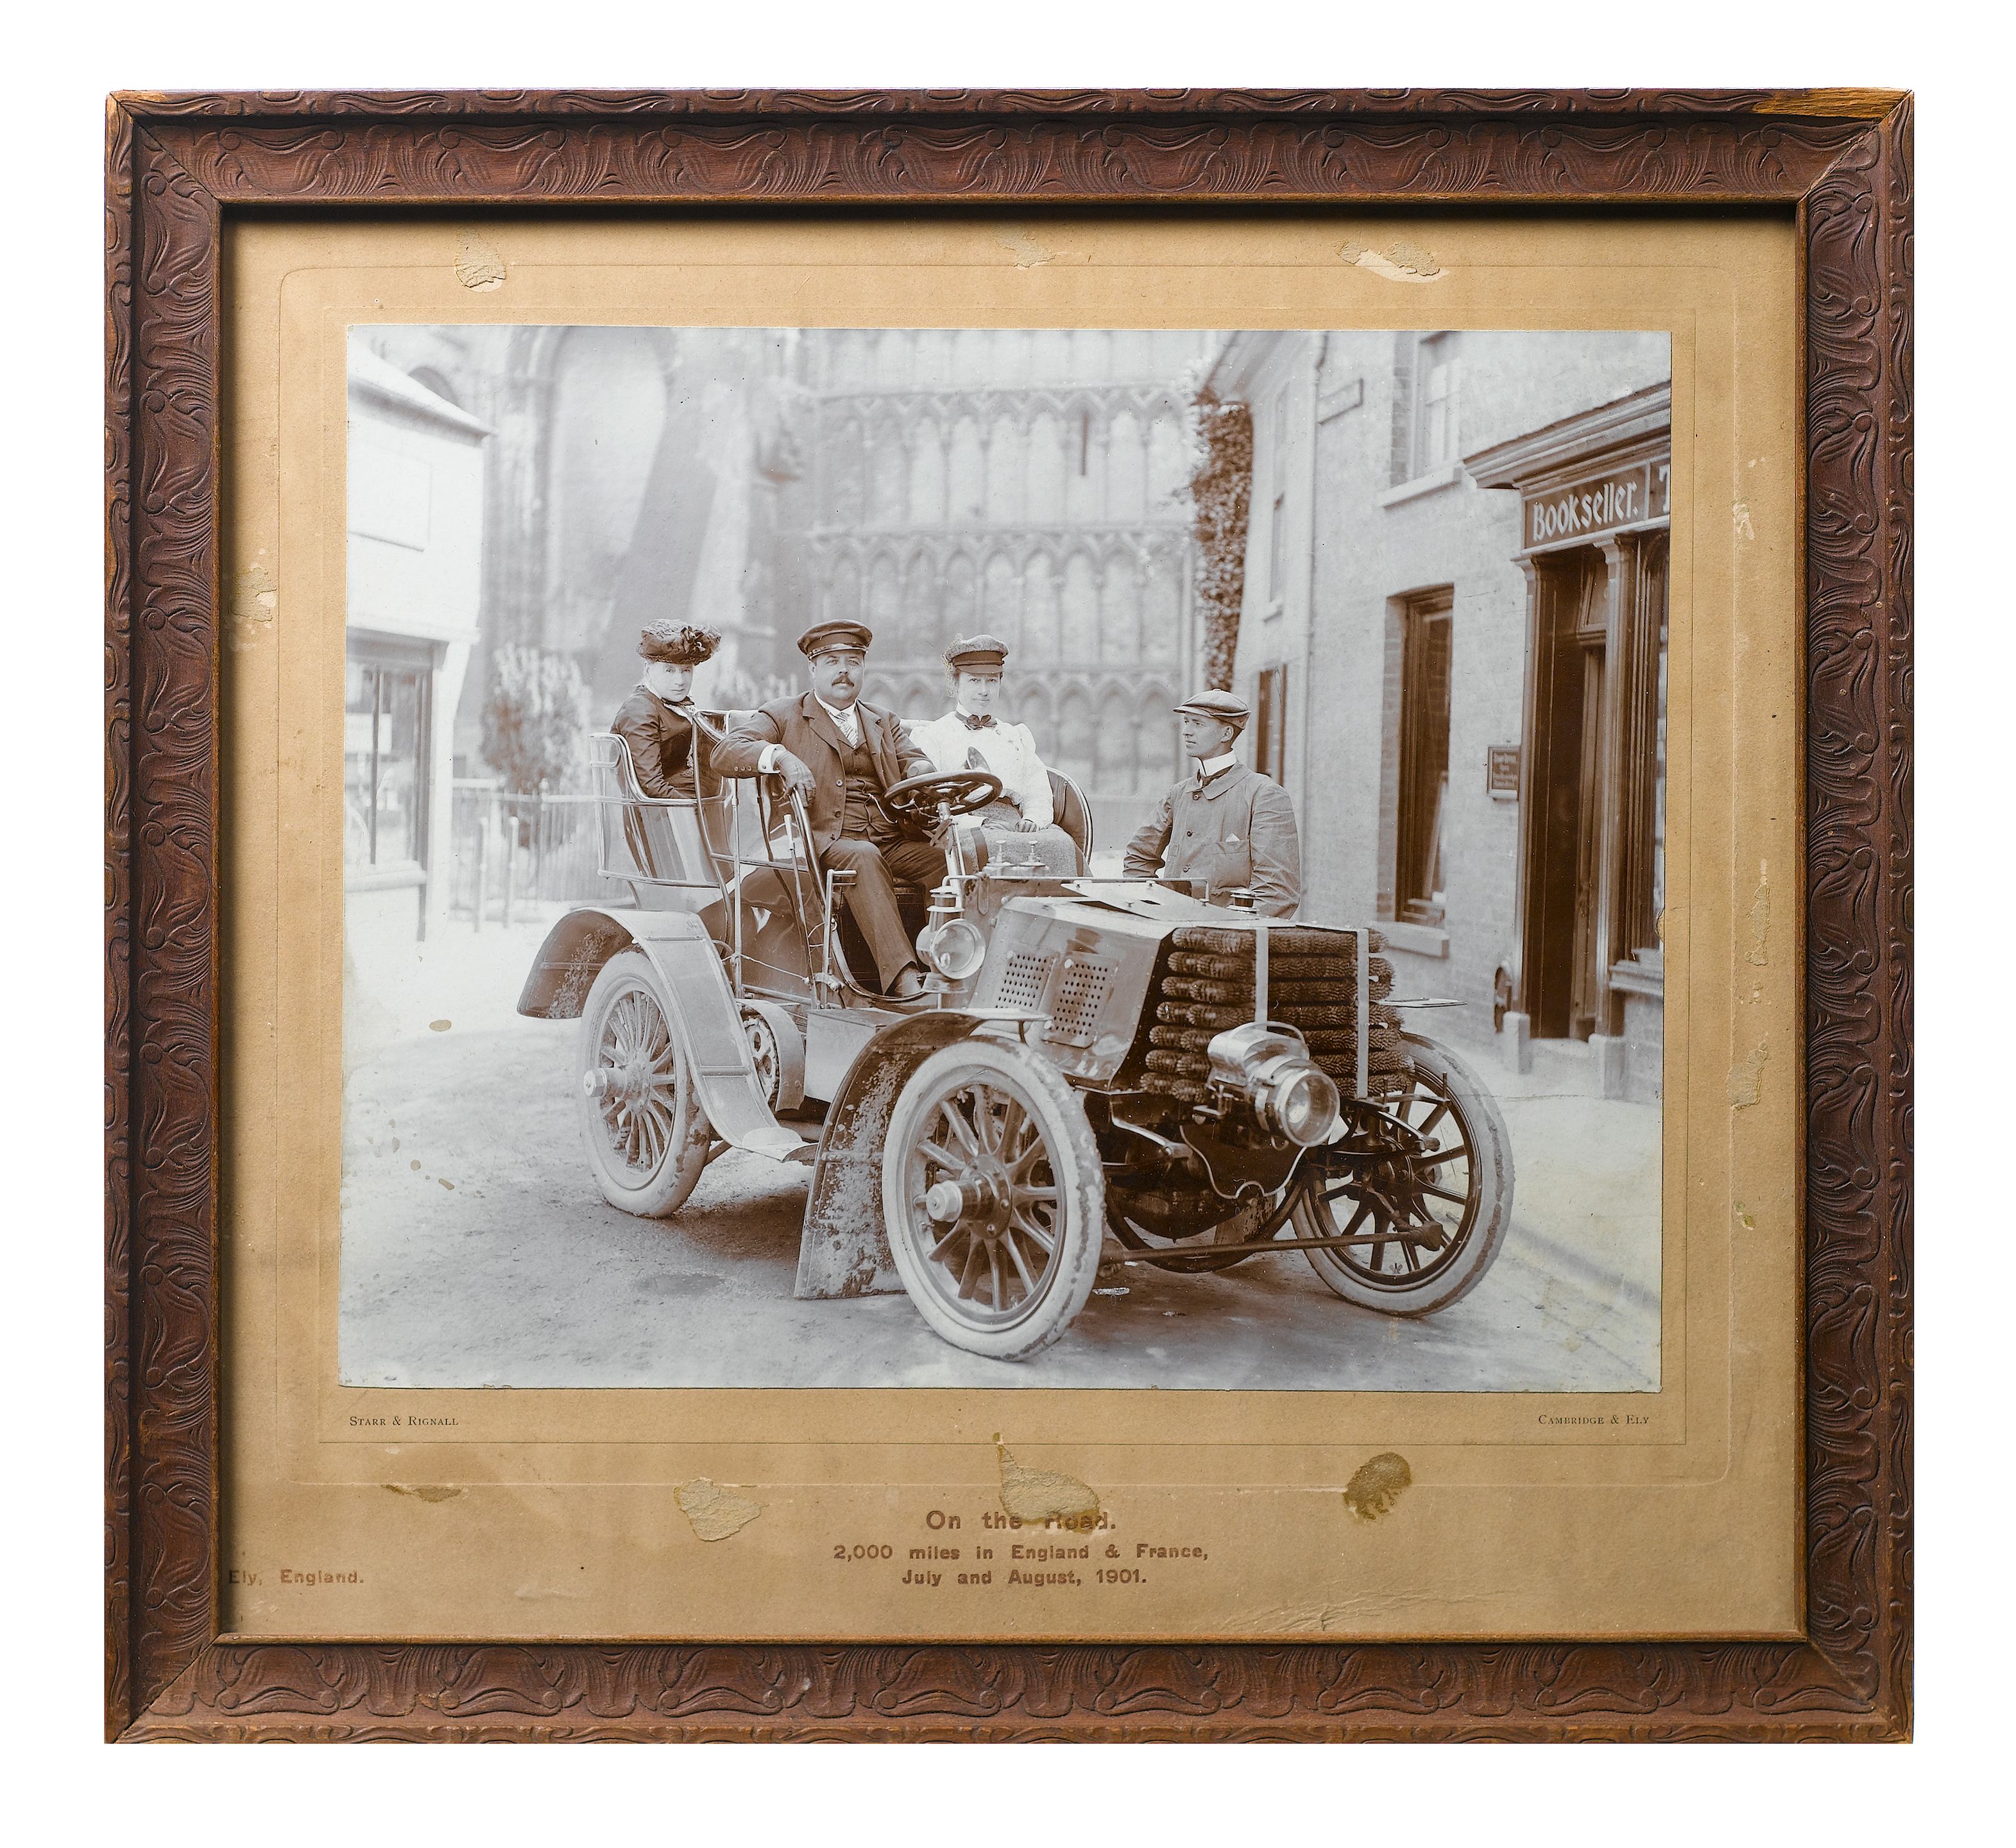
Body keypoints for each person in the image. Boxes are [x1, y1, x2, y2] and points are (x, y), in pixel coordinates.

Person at [713, 619, 945, 1000]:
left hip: (888, 839)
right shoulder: (783, 715)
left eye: (853, 662)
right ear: (813, 669)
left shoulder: (883, 721)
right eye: (833, 661)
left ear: (863, 669)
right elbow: (726, 751)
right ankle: (904, 980)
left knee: (946, 861)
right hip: (819, 842)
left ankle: (947, 966)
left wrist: (921, 772)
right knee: (863, 857)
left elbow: (915, 762)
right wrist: (780, 756)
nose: (844, 671)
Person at [907, 633, 1079, 876]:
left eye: (992, 681)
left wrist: (1033, 819)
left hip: (1017, 824)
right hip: (965, 824)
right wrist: (980, 823)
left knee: (1062, 846)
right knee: (988, 851)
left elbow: (1036, 790)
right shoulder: (933, 736)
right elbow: (929, 805)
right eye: (975, 681)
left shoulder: (1016, 736)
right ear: (956, 683)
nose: (984, 691)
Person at [1122, 689, 1302, 917]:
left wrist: (1220, 935)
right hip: (1171, 934)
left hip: (1225, 944)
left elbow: (1278, 891)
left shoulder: (1263, 794)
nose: (1187, 732)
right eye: (1186, 722)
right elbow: (1139, 855)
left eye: (1198, 724)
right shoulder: (1179, 794)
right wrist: (1151, 908)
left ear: (1226, 733)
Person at [611, 621, 720, 800]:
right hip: (659, 814)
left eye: (686, 670)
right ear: (648, 670)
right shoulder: (640, 710)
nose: (680, 681)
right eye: (669, 671)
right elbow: (650, 786)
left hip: (685, 803)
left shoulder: (678, 705)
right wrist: (694, 808)